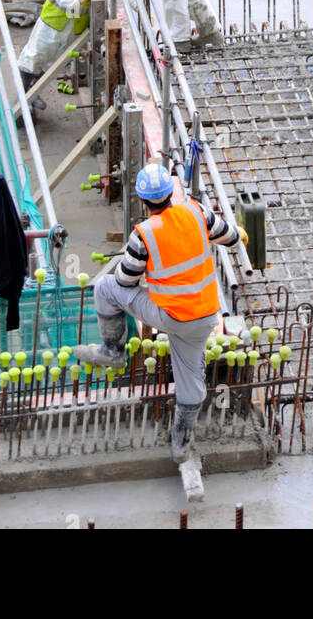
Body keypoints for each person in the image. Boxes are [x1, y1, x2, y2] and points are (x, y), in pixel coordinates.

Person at [74, 161, 246, 478]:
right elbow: (230, 236)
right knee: (191, 381)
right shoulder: (197, 211)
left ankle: (112, 351)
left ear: (143, 201)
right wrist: (239, 236)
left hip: (169, 315)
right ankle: (180, 445)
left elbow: (125, 282)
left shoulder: (144, 234)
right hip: (205, 316)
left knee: (106, 287)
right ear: (171, 193)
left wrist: (147, 272)